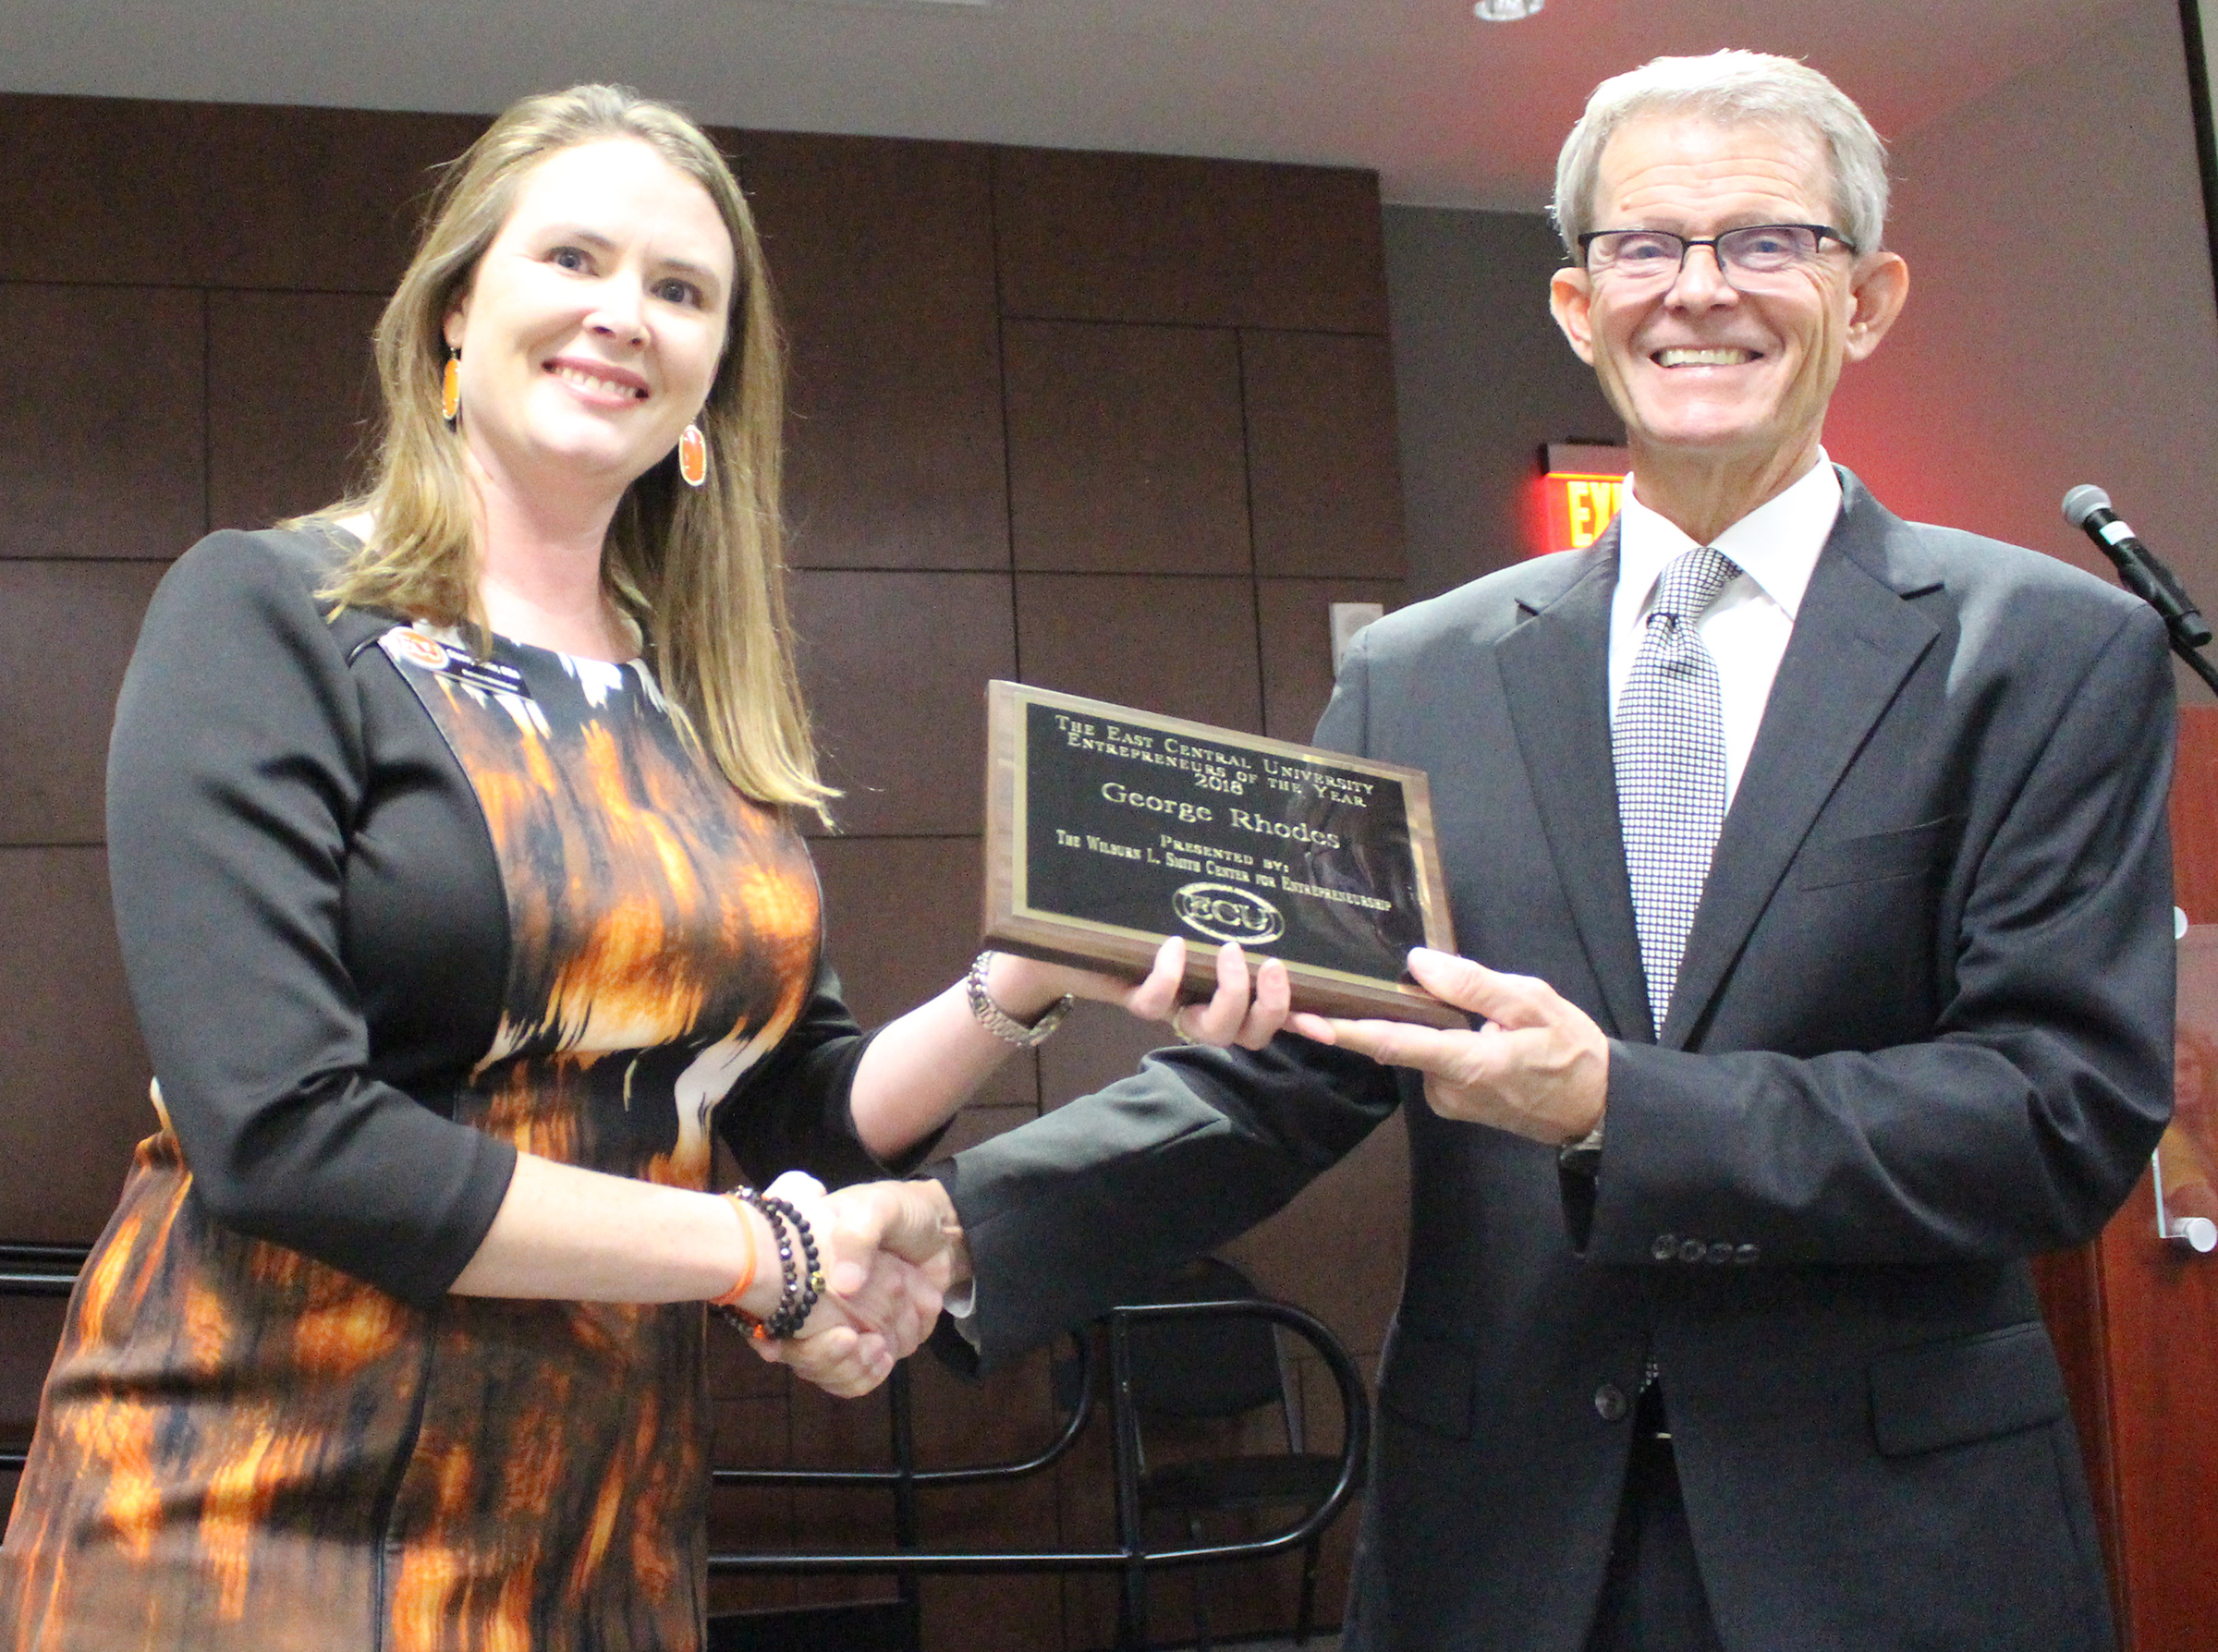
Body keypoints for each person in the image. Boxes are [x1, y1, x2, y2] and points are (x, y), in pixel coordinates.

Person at [878, 50, 2176, 1652]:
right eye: (1646, 247)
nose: (1700, 293)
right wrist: (972, 1228)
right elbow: (1306, 1061)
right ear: (1577, 306)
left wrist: (1620, 1108)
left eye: (1769, 241)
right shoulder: (1417, 671)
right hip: (1500, 1538)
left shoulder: (2045, 650)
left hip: (1891, 1544)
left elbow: (2057, 1111)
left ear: (1872, 296)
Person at [0, 84, 1284, 1652]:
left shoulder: (691, 699)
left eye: (682, 292)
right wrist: (769, 1256)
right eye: (574, 260)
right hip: (250, 1515)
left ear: (711, 388)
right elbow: (281, 1130)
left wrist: (1025, 979)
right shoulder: (271, 613)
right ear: (454, 314)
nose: (625, 315)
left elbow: (795, 1108)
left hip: (596, 1524)